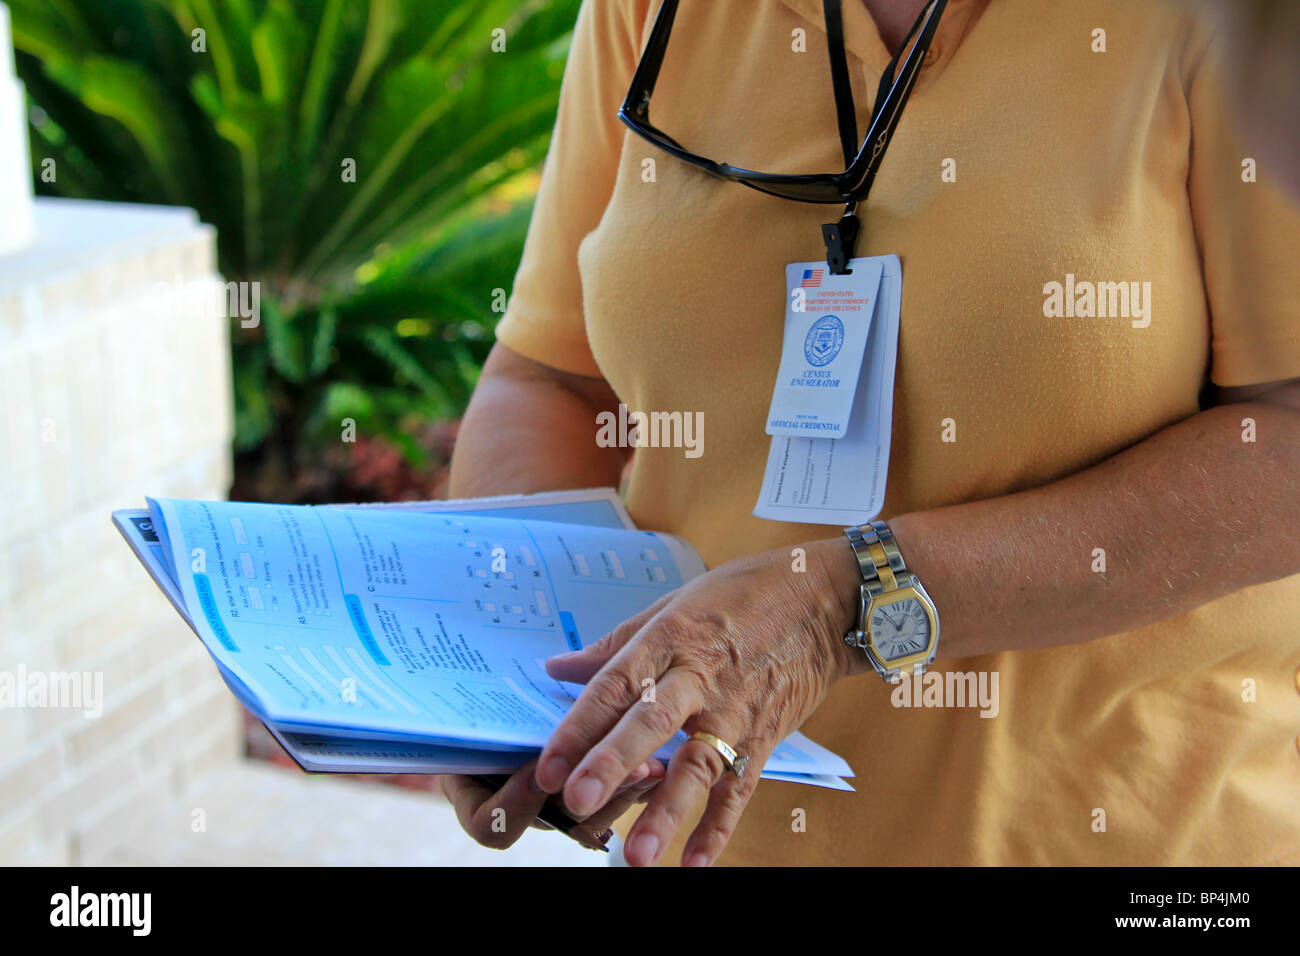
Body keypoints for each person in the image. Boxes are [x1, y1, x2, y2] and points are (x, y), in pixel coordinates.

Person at [441, 0, 1300, 866]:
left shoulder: (1232, 19)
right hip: (694, 843)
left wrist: (838, 604)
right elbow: (550, 377)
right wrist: (509, 679)